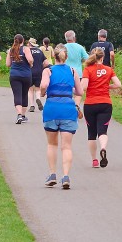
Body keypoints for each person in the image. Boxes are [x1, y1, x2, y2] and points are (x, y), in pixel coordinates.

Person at [39, 44, 85, 189]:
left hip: (52, 108)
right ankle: (66, 176)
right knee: (67, 147)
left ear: (54, 56)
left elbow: (44, 84)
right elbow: (80, 92)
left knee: (52, 144)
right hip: (68, 109)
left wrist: (42, 93)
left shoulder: (48, 70)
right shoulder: (72, 71)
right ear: (66, 57)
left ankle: (52, 174)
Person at [82, 47, 122, 168]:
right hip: (105, 103)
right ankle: (103, 148)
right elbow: (118, 84)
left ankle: (94, 160)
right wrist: (107, 86)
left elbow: (84, 87)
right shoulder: (109, 70)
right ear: (103, 57)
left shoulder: (88, 69)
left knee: (91, 133)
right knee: (103, 131)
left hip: (90, 103)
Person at [6, 34, 34, 125]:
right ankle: (23, 115)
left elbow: (8, 64)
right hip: (26, 75)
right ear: (23, 40)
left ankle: (19, 114)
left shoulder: (11, 50)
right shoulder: (25, 49)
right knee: (24, 94)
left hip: (14, 75)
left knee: (17, 95)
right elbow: (30, 59)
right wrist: (31, 64)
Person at [63, 31, 89, 108]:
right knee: (78, 91)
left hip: (66, 72)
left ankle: (68, 107)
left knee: (67, 91)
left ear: (66, 39)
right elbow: (87, 59)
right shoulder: (80, 47)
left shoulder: (63, 48)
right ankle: (76, 105)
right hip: (78, 73)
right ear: (74, 38)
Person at [28, 38, 50, 112]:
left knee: (30, 89)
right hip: (39, 72)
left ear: (29, 44)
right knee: (38, 88)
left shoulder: (28, 51)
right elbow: (46, 63)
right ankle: (38, 98)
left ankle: (32, 105)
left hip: (30, 71)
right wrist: (41, 67)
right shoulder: (40, 51)